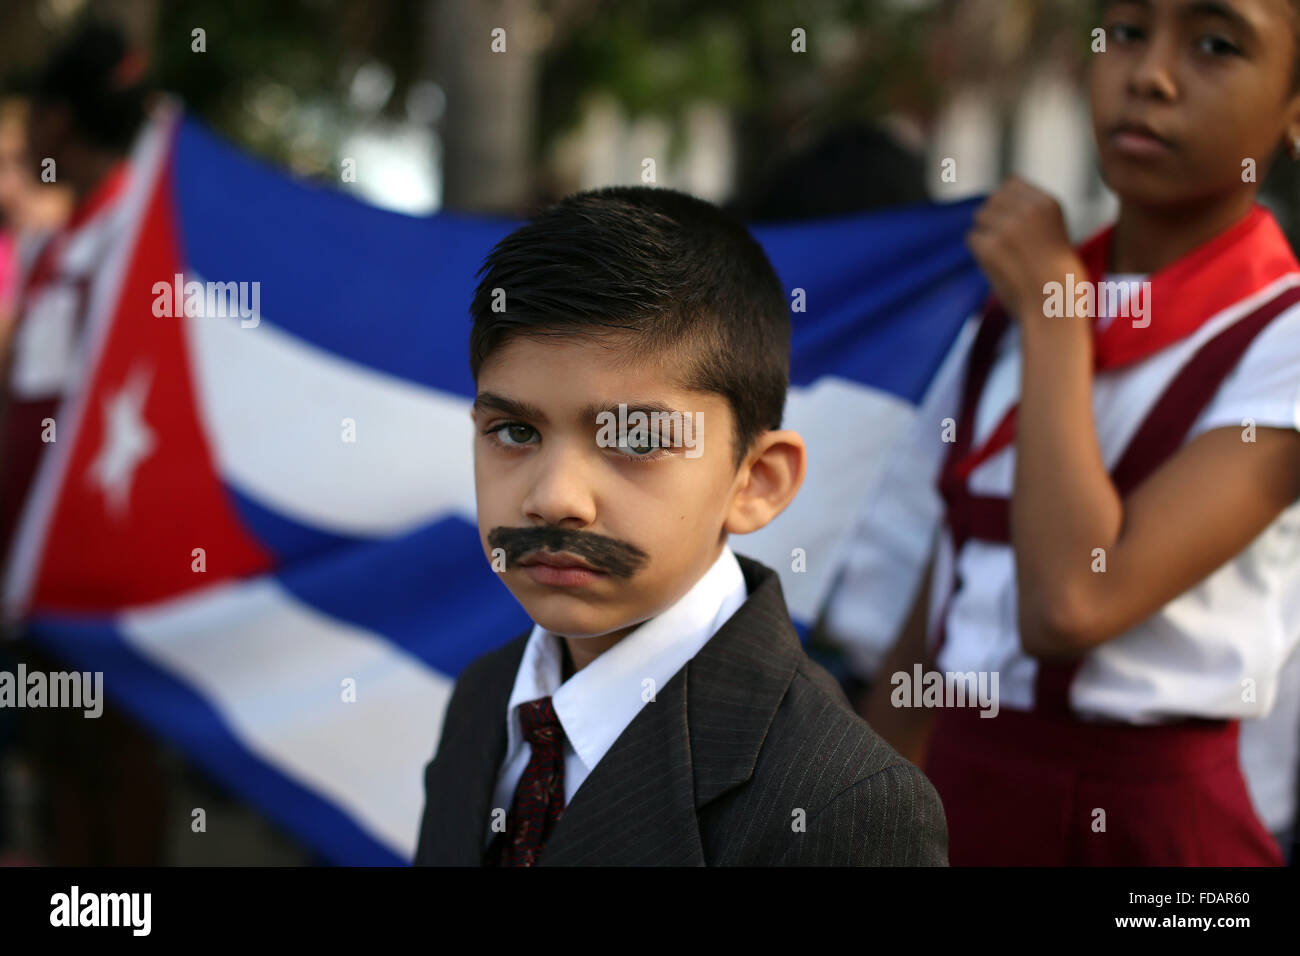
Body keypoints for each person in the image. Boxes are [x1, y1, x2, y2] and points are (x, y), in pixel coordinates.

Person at [863, 0, 1300, 865]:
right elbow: (951, 589)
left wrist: (1057, 320)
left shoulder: (1277, 341)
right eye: (1126, 32)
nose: (1150, 77)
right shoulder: (1009, 309)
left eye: (1217, 45)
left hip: (1146, 825)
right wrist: (863, 804)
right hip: (953, 791)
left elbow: (1071, 604)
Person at [414, 186, 949, 866]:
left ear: (757, 481)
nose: (553, 499)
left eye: (635, 439)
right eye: (515, 430)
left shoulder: (841, 803)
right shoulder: (487, 698)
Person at [0, 17, 167, 865]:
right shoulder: (51, 247)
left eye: (28, 116)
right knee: (62, 774)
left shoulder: (141, 242)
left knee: (115, 777)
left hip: (111, 582)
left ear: (57, 123)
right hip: (40, 583)